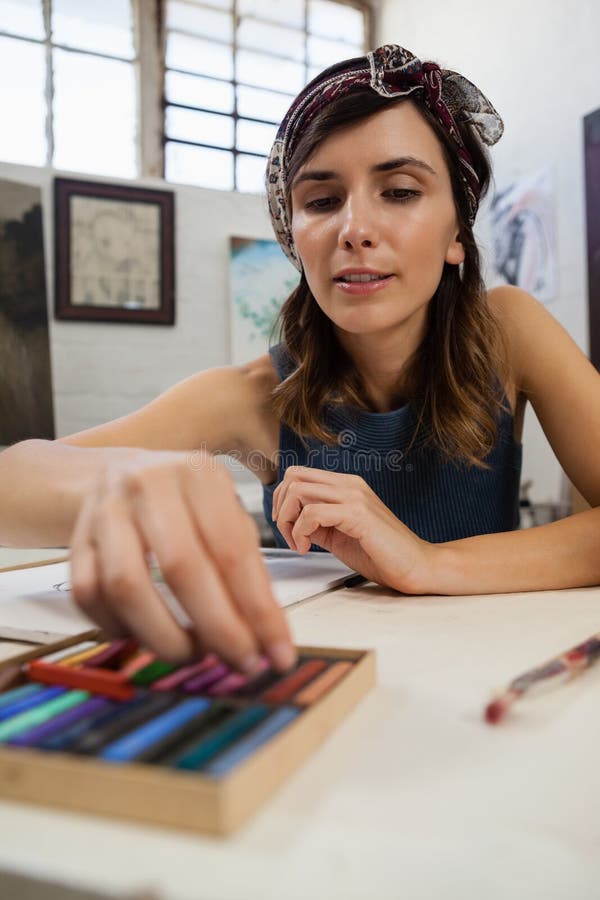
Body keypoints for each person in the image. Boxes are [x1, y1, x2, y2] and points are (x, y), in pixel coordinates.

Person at [1, 44, 599, 675]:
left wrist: (425, 562)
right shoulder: (259, 394)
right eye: (321, 200)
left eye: (399, 190)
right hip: (323, 683)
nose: (355, 228)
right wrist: (119, 483)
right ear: (295, 236)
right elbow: (13, 479)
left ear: (457, 232)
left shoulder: (509, 332)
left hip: (485, 674)